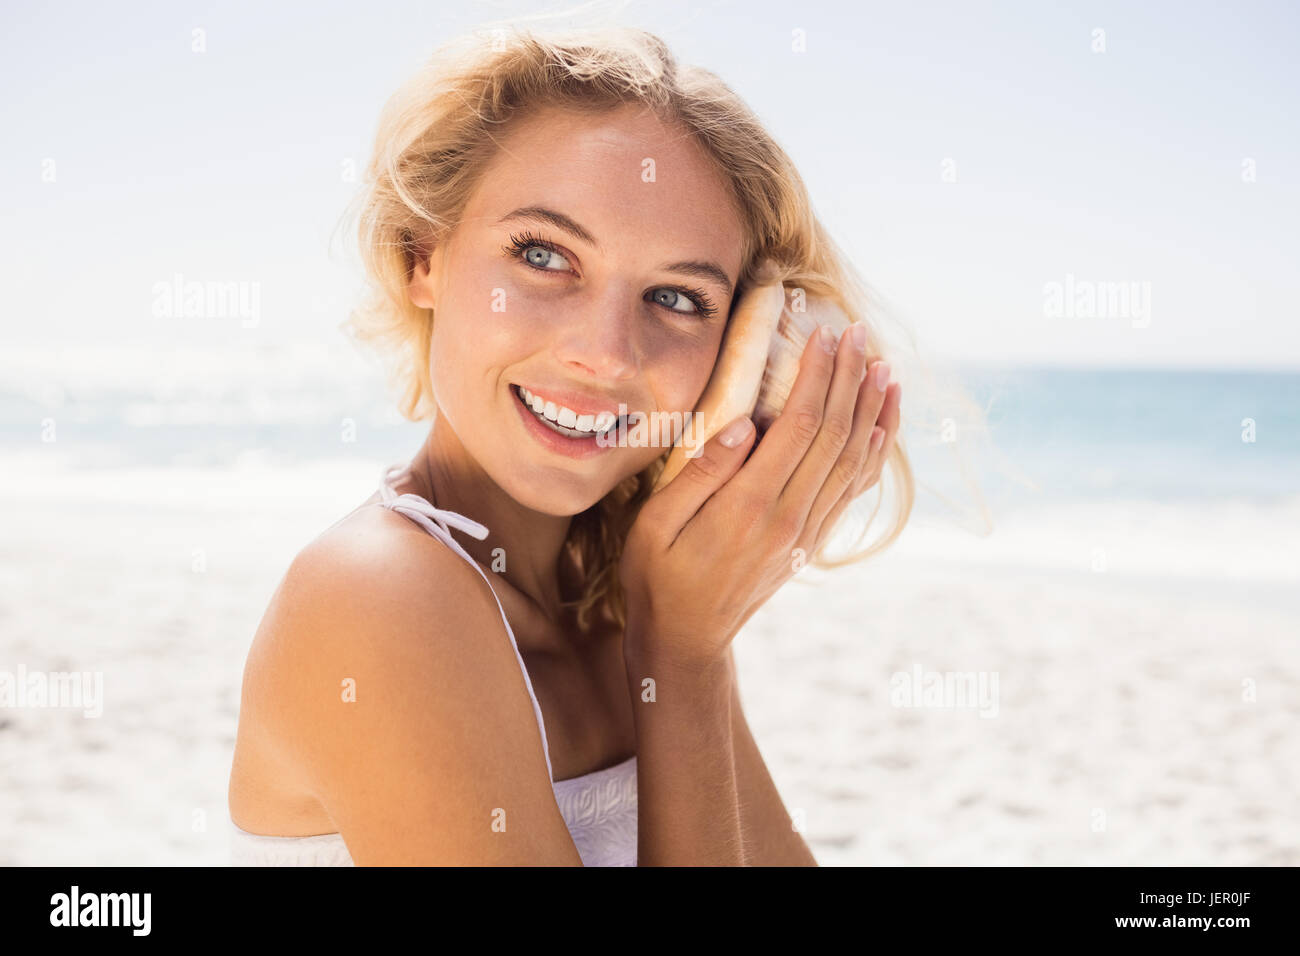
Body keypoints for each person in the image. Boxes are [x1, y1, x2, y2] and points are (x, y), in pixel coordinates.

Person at [227, 24, 909, 866]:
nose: (609, 352)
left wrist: (681, 638)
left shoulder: (616, 591)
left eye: (679, 298)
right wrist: (682, 664)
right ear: (422, 255)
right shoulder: (380, 596)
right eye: (543, 254)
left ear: (738, 345)